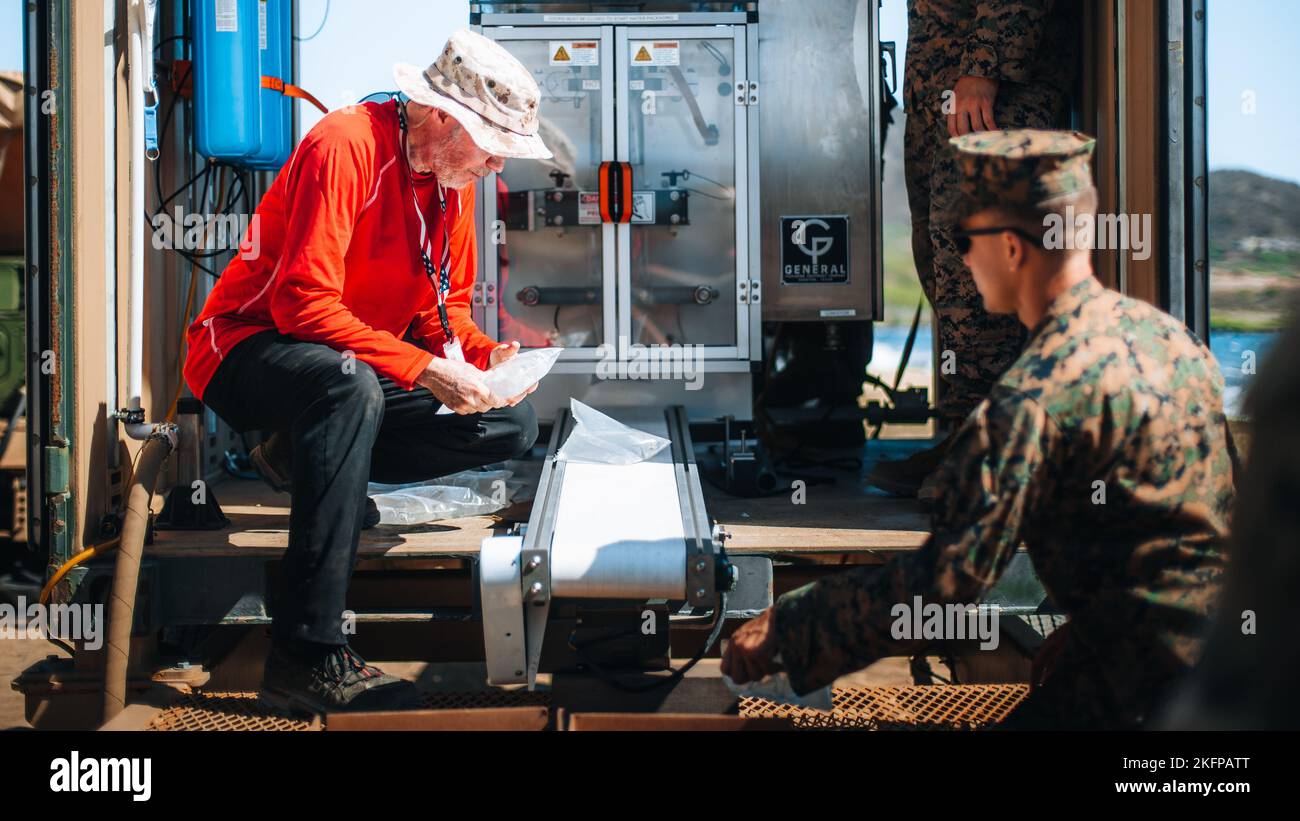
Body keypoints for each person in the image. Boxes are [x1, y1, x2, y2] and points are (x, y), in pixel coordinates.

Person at [723, 130, 1235, 729]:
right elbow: (1201, 530)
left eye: (966, 239)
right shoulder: (1175, 344)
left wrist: (790, 625)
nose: (961, 259)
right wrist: (1095, 629)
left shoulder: (1033, 399)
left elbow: (946, 580)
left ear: (1013, 248)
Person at [183, 29, 552, 713]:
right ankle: (307, 651)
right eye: (492, 143)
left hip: (343, 369)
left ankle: (301, 454)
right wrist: (426, 370)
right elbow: (300, 306)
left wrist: (482, 358)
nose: (497, 164)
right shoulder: (346, 144)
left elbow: (444, 316)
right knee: (346, 386)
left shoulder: (451, 182)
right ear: (443, 116)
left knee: (509, 422)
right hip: (244, 348)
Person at [869, 0, 1080, 499]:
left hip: (994, 92)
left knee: (977, 268)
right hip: (940, 91)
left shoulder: (988, 77)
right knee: (941, 258)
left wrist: (985, 67)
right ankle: (966, 437)